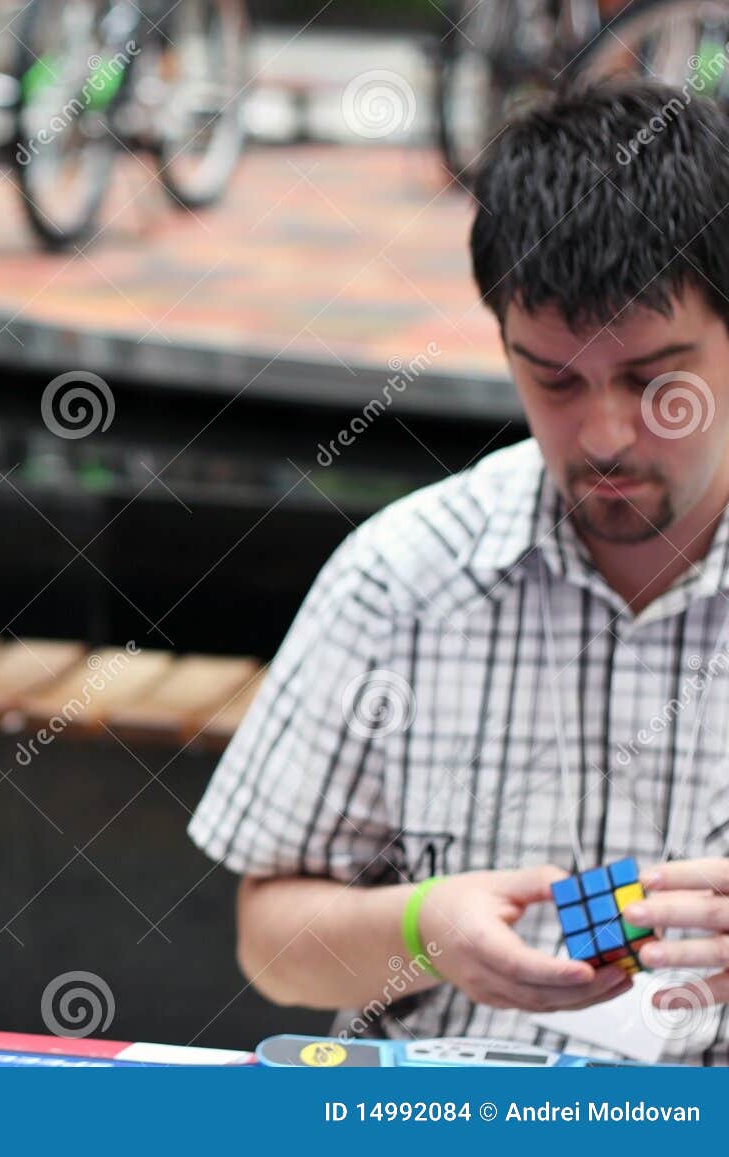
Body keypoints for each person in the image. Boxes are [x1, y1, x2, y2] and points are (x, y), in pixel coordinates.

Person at [190, 81, 729, 1063]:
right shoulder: (399, 578)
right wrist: (421, 930)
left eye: (655, 379)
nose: (603, 435)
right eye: (552, 379)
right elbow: (271, 942)